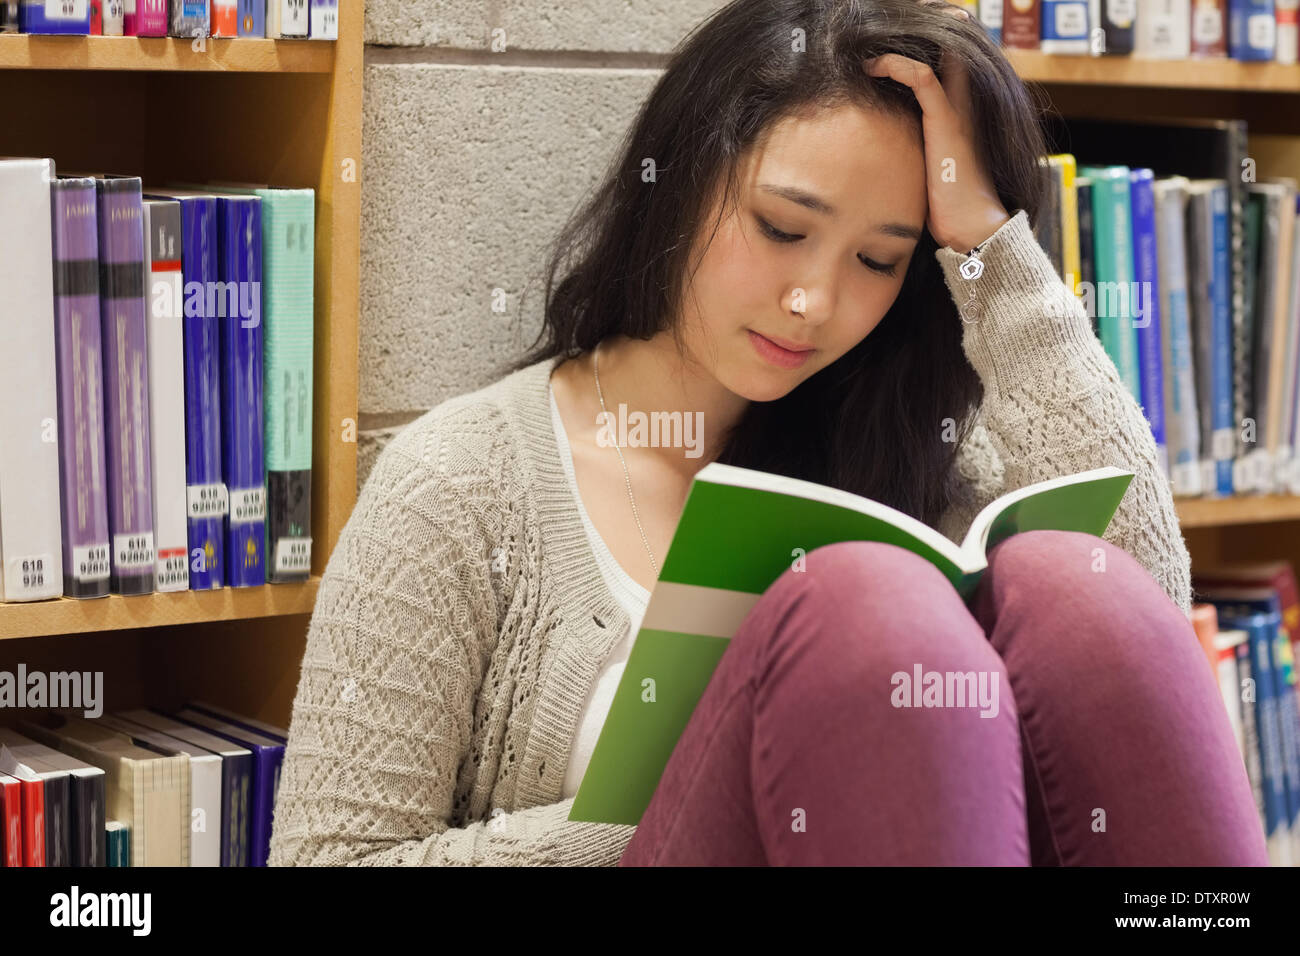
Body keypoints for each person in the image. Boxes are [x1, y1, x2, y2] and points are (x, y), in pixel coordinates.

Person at [267, 0, 1268, 866]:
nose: (811, 299)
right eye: (783, 228)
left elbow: (1141, 631)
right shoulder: (461, 483)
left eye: (879, 261)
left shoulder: (910, 457)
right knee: (861, 601)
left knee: (1065, 585)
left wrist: (989, 250)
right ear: (684, 175)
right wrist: (726, 784)